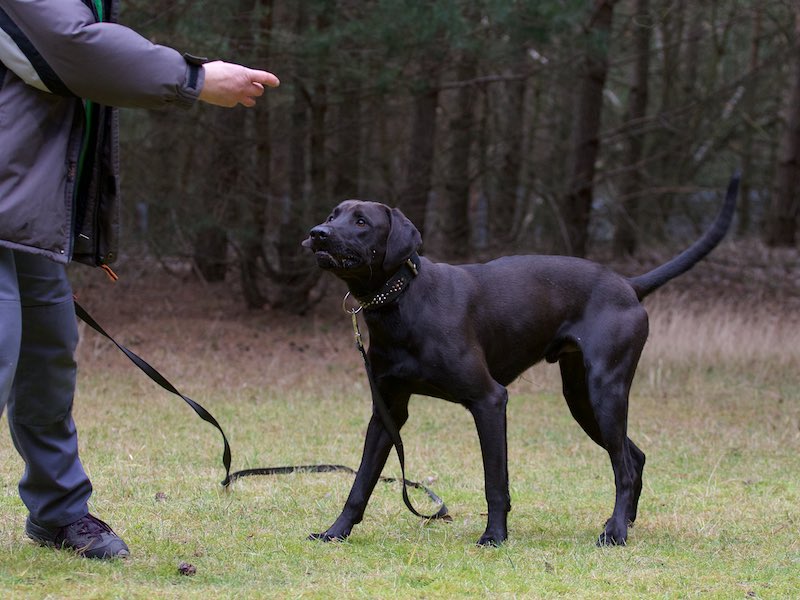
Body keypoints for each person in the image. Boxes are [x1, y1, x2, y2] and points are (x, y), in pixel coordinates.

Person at [0, 1, 279, 559]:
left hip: (18, 207)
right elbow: (71, 50)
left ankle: (58, 513)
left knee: (47, 356)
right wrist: (194, 78)